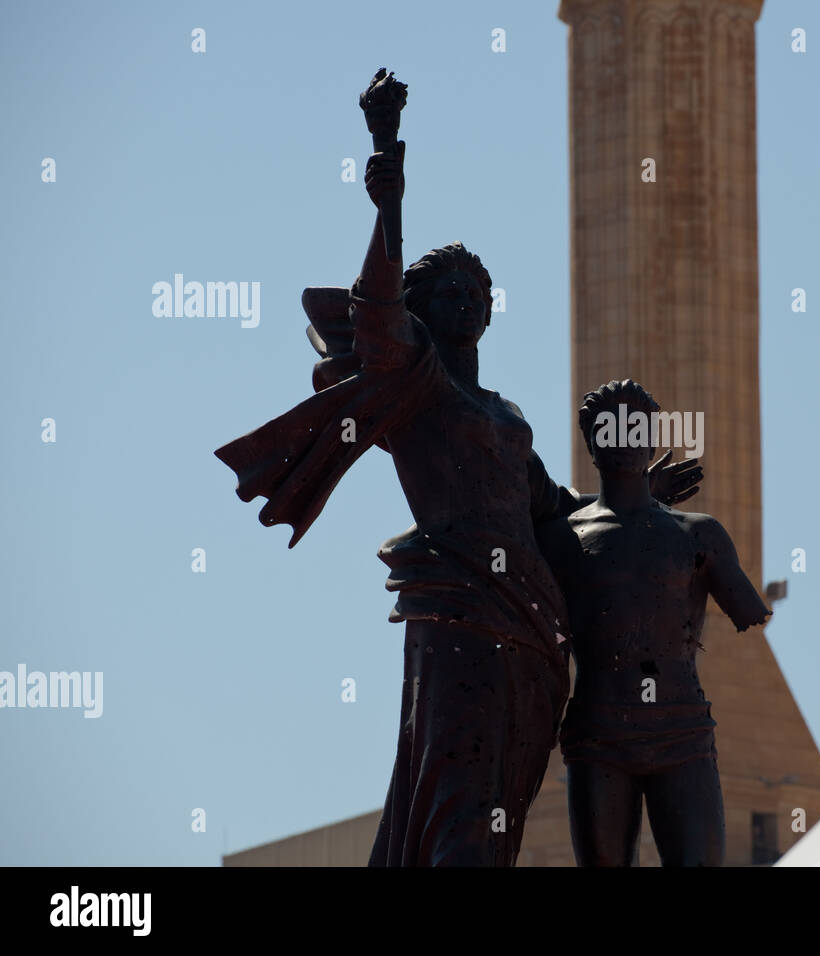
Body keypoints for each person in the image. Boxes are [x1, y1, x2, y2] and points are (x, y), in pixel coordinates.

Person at [215, 72, 701, 866]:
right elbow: (375, 309)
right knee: (457, 801)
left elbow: (555, 510)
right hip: (461, 614)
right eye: (449, 292)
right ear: (424, 310)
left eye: (479, 291)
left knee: (498, 810)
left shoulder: (507, 417)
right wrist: (387, 190)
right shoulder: (419, 389)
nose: (468, 301)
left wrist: (642, 497)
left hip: (535, 634)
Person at [535, 381, 771, 866]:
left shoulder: (697, 534)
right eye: (610, 428)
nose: (623, 437)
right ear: (593, 444)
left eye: (634, 427)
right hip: (599, 737)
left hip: (681, 734)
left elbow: (748, 610)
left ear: (653, 440)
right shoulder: (559, 542)